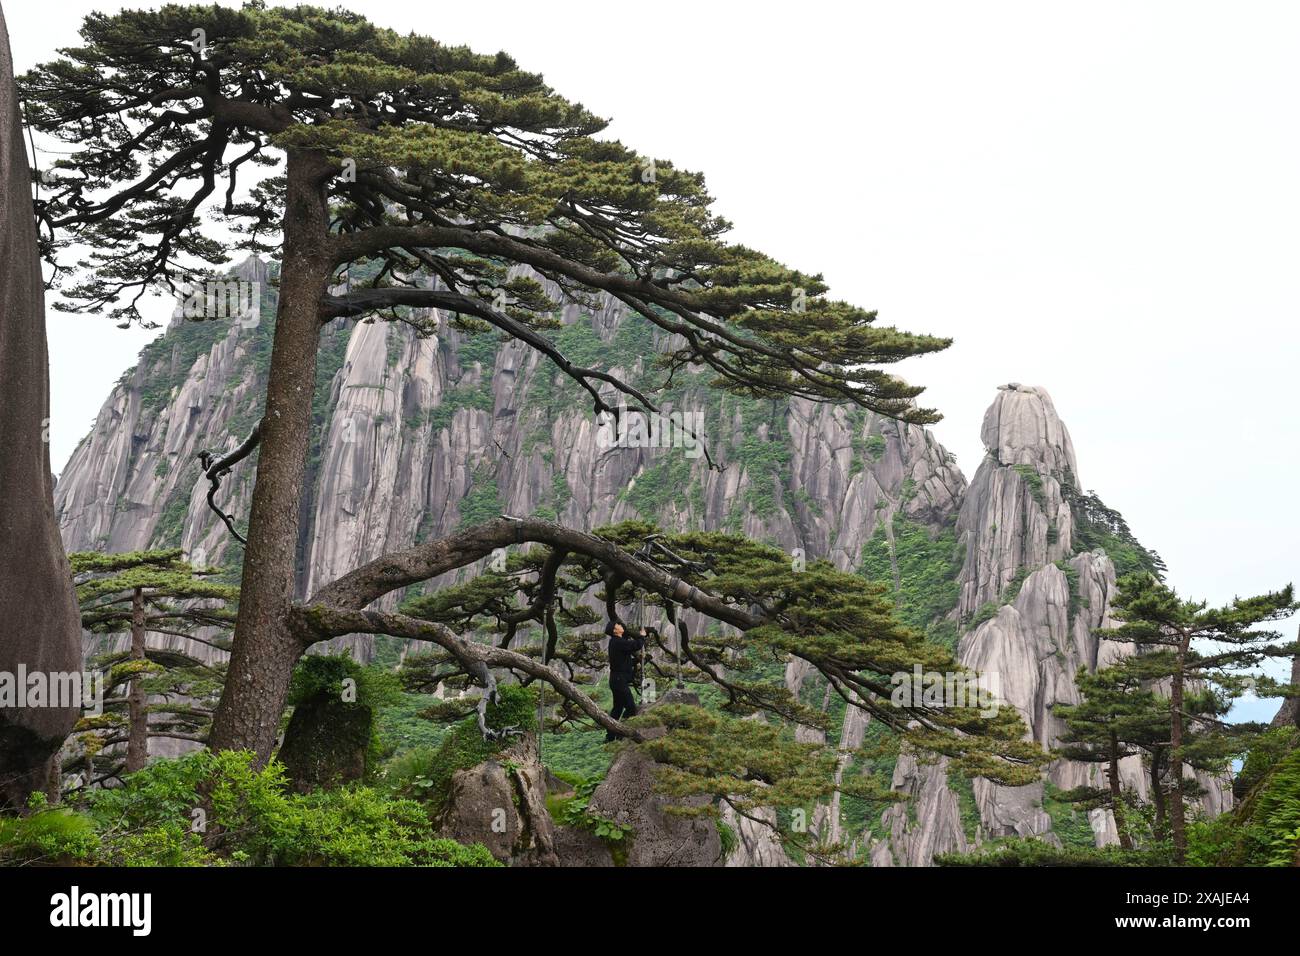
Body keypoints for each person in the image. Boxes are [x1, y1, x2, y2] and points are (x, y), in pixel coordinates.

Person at [604, 620, 644, 742]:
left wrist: (639, 661)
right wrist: (641, 636)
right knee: (631, 707)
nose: (622, 626)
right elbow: (634, 645)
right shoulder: (617, 642)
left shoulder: (616, 643)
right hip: (619, 680)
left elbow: (624, 662)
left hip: (617, 680)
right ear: (614, 630)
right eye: (619, 625)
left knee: (618, 708)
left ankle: (610, 737)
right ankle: (621, 733)